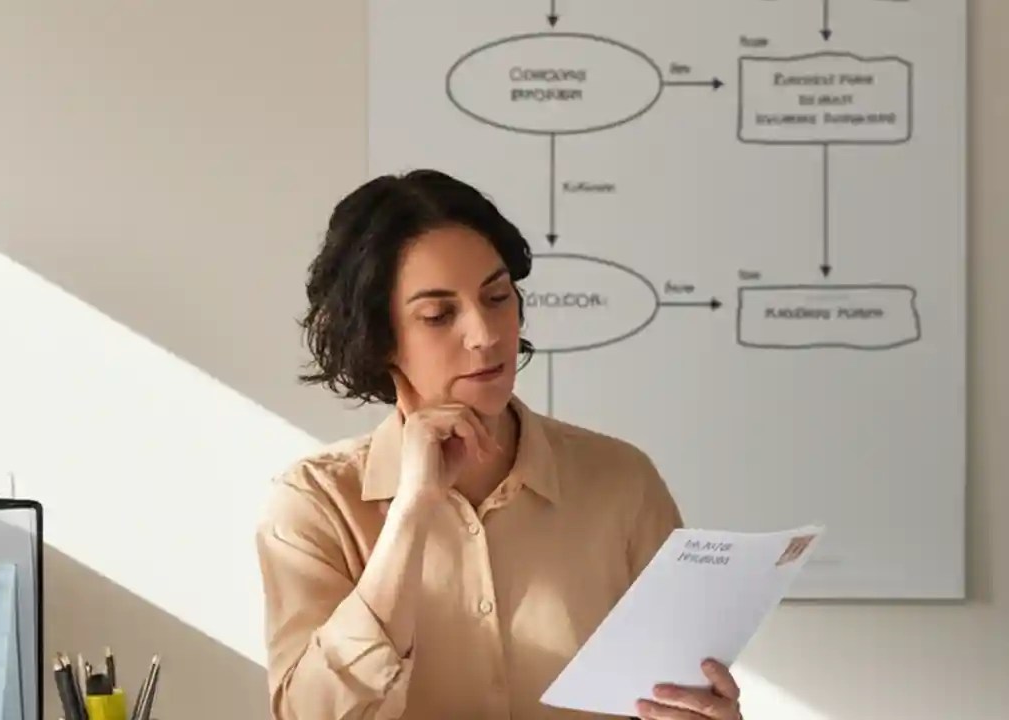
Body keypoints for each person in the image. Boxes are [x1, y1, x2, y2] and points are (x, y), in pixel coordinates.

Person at [254, 169, 743, 720]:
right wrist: (410, 514)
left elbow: (679, 693)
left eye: (497, 296)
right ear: (378, 338)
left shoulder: (623, 483)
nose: (486, 334)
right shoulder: (315, 504)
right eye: (439, 315)